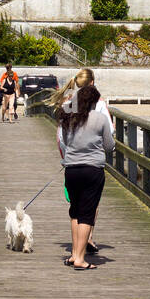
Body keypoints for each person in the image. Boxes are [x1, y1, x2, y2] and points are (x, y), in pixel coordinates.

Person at [56, 83, 114, 270]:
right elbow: (109, 145)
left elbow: (63, 142)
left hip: (71, 169)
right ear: (94, 101)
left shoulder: (68, 117)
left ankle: (74, 254)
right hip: (92, 169)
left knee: (75, 212)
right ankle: (80, 259)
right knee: (87, 214)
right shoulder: (100, 119)